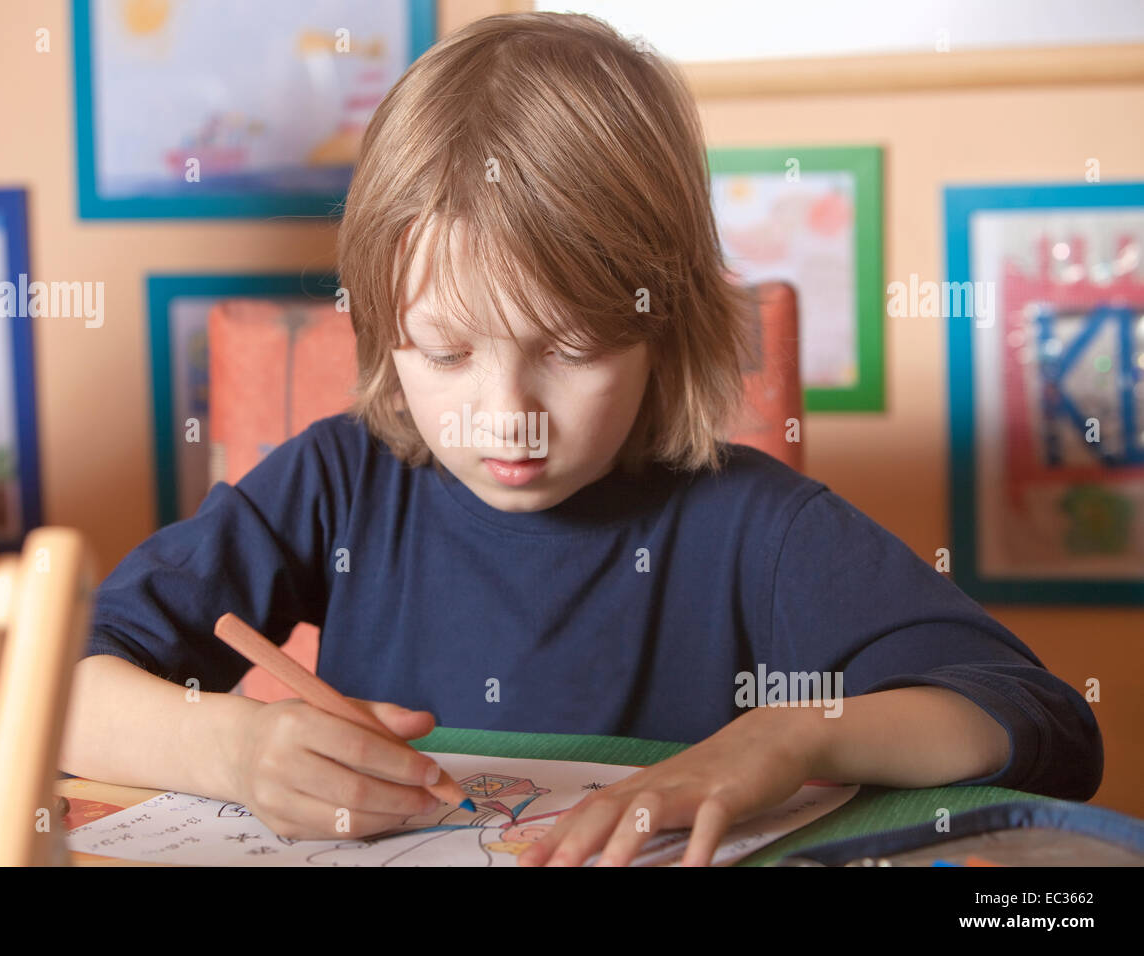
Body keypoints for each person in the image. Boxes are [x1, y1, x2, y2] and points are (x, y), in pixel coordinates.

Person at [60, 12, 1102, 867]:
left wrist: (783, 737)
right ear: (381, 333)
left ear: (664, 323)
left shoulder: (753, 525)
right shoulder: (337, 484)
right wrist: (234, 749)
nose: (507, 410)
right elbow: (49, 691)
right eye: (445, 352)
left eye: (570, 347)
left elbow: (1043, 723)